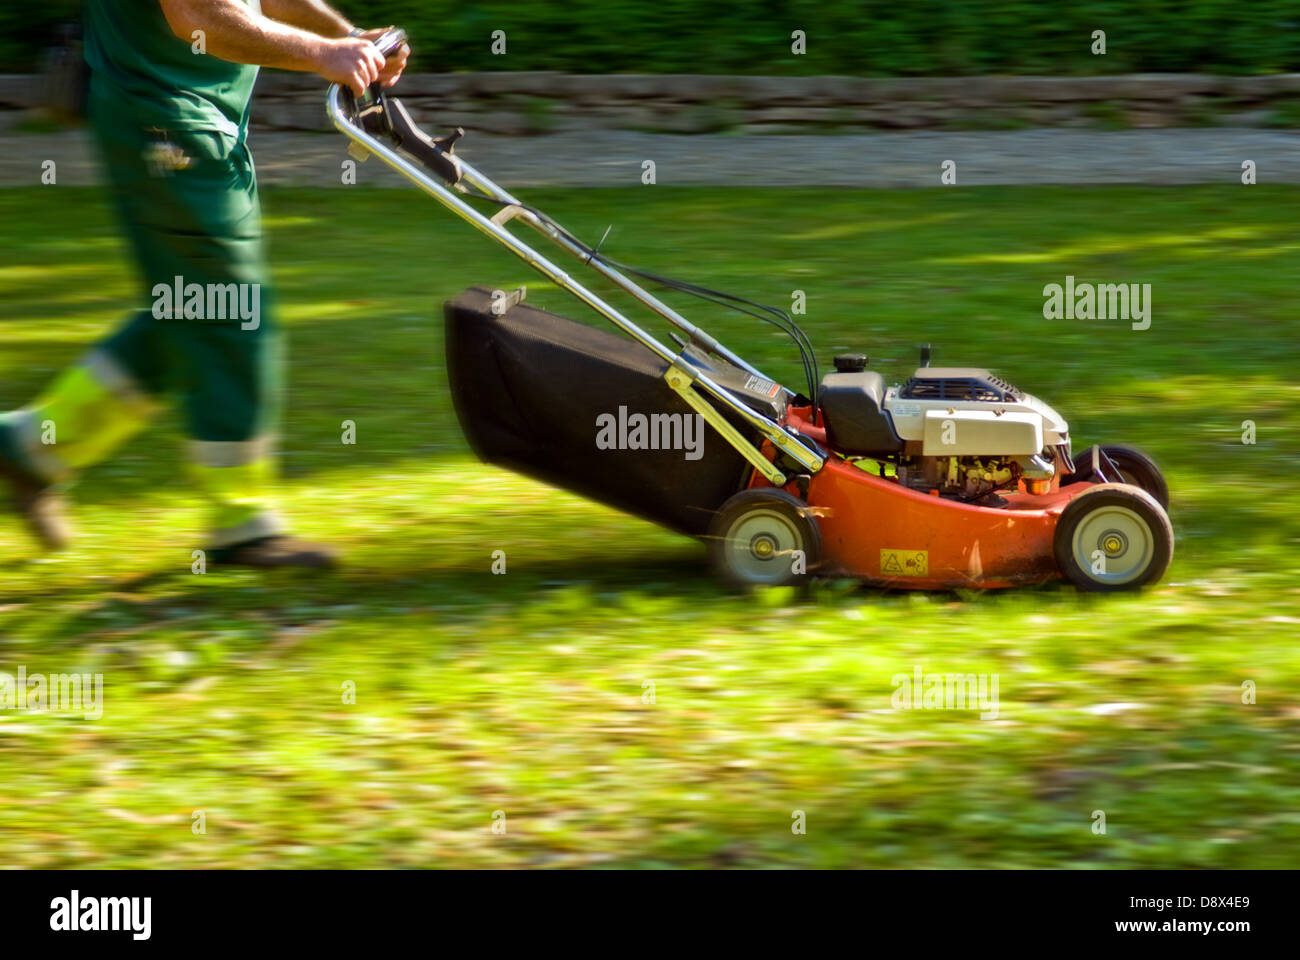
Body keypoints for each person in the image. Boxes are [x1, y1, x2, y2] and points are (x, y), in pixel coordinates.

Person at [0, 0, 409, 567]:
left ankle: (29, 447)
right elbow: (198, 16)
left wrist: (348, 37)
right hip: (164, 122)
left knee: (188, 313)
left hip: (199, 120)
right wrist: (325, 54)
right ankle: (241, 526)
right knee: (231, 310)